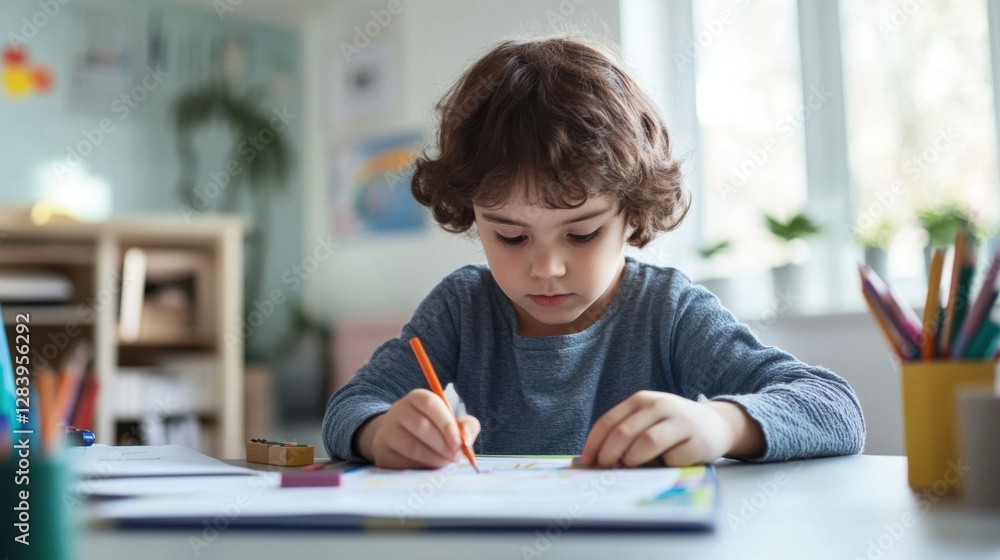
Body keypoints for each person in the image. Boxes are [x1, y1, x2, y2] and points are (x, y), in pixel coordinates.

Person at [322, 36, 865, 469]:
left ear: (632, 212)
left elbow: (833, 406)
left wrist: (721, 424)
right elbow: (351, 406)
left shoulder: (668, 311)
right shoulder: (461, 308)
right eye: (510, 237)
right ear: (474, 216)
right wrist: (380, 431)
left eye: (581, 234)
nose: (546, 268)